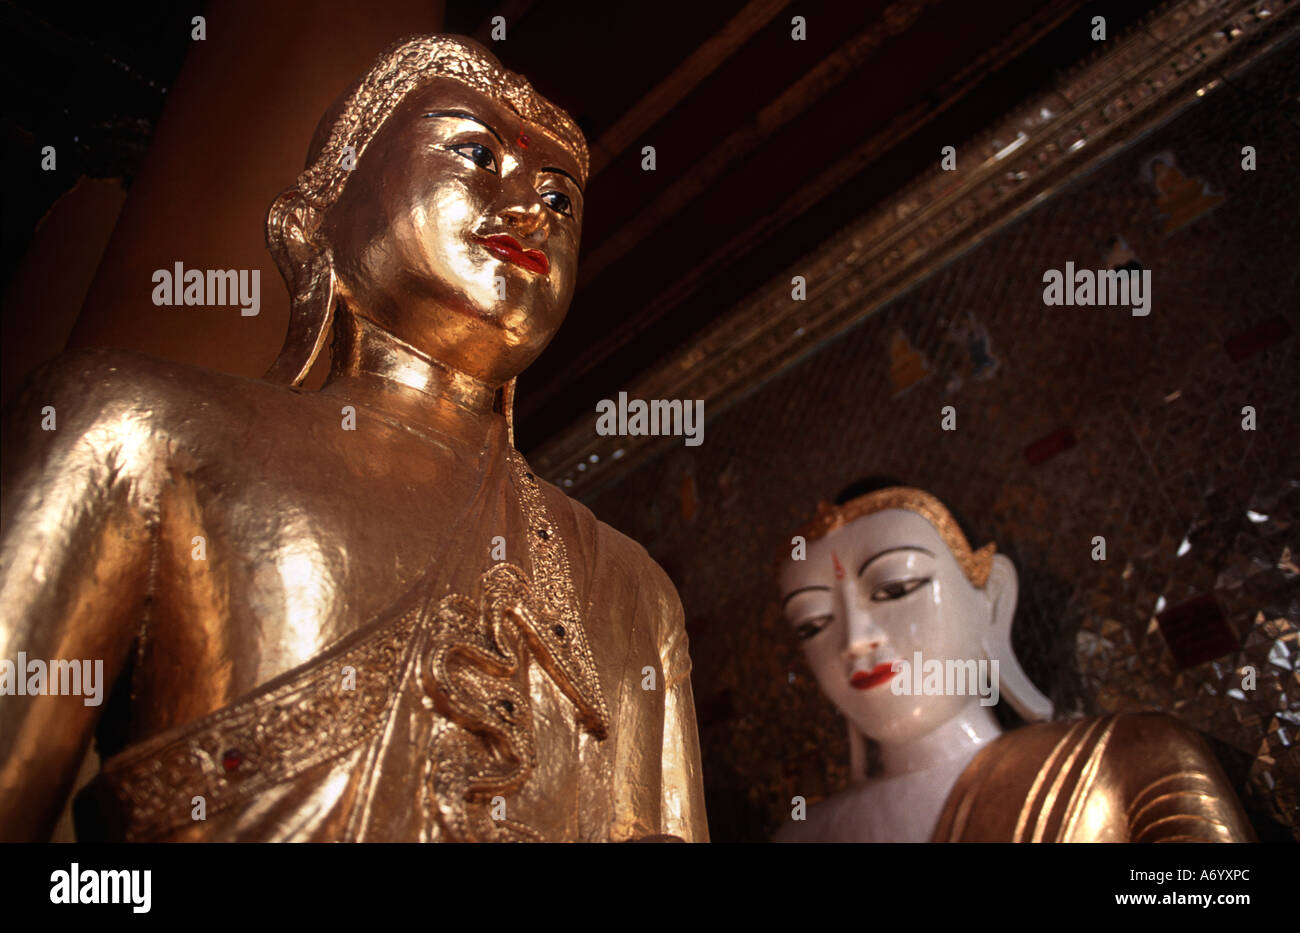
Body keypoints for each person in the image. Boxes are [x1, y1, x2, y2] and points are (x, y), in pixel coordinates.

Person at [0, 35, 707, 843]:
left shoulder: (633, 589)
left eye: (561, 201)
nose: (527, 210)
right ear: (324, 209)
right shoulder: (136, 425)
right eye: (475, 152)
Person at [775, 483, 1253, 842]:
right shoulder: (800, 836)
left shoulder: (1129, 756)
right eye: (813, 624)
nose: (855, 641)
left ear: (992, 597)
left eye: (895, 589)